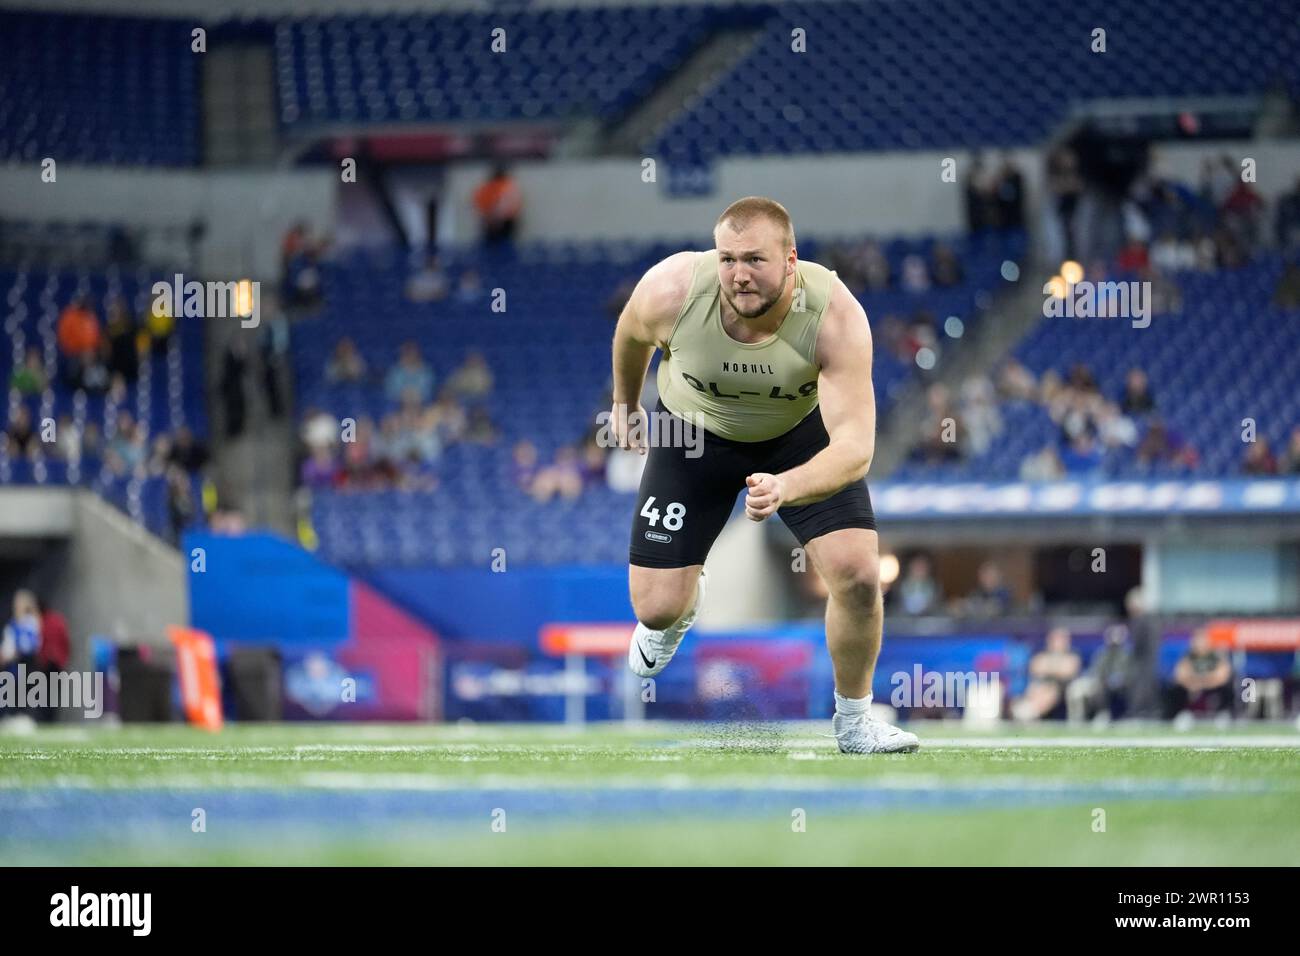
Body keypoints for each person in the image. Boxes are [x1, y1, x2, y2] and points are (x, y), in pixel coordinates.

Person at [608, 196, 917, 754]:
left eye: (755, 259)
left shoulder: (835, 316)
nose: (738, 275)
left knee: (859, 576)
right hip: (694, 434)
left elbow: (855, 448)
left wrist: (788, 485)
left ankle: (854, 724)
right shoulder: (673, 290)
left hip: (797, 439)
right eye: (727, 259)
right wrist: (626, 404)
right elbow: (631, 333)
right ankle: (677, 611)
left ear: (791, 261)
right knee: (655, 607)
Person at [1013, 627, 1081, 720]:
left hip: (1061, 688)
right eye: (1055, 640)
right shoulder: (1041, 653)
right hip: (1042, 686)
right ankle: (1028, 711)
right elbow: (1035, 668)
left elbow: (1068, 671)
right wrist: (1057, 668)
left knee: (1050, 691)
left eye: (1061, 640)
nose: (1058, 643)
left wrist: (1048, 668)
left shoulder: (1072, 655)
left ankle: (1033, 713)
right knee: (1036, 688)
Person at [1169, 628, 1233, 718]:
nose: (1200, 644)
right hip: (1192, 686)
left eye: (1203, 641)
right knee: (1175, 687)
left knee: (1227, 687)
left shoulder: (1215, 656)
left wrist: (1203, 683)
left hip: (1211, 686)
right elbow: (1180, 674)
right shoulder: (1188, 655)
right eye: (1198, 641)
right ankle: (1182, 713)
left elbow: (1222, 676)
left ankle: (1222, 713)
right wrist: (1192, 683)